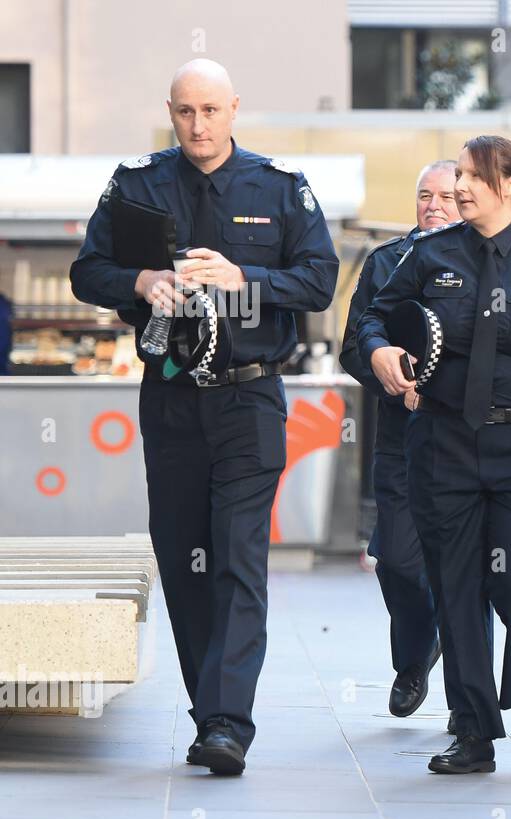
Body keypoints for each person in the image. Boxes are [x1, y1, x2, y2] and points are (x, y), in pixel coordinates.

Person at [69, 59, 339, 775]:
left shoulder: (279, 187)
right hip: (170, 396)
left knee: (239, 560)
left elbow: (319, 280)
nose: (198, 125)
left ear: (234, 109)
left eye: (211, 111)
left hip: (250, 397)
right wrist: (142, 279)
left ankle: (227, 723)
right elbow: (85, 272)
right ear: (171, 111)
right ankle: (208, 710)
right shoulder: (137, 183)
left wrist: (245, 278)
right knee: (185, 560)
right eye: (186, 112)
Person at [356, 135, 511, 774]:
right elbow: (373, 320)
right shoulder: (429, 255)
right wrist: (381, 350)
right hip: (443, 444)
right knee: (456, 586)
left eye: (472, 177)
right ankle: (471, 730)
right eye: (458, 175)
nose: (460, 187)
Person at [339, 162, 457, 719]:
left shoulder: (484, 264)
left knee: (469, 571)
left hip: (465, 443)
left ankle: (469, 704)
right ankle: (415, 656)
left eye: (448, 196)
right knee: (398, 561)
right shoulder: (386, 263)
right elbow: (352, 347)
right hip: (401, 440)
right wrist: (386, 375)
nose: (435, 205)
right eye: (424, 195)